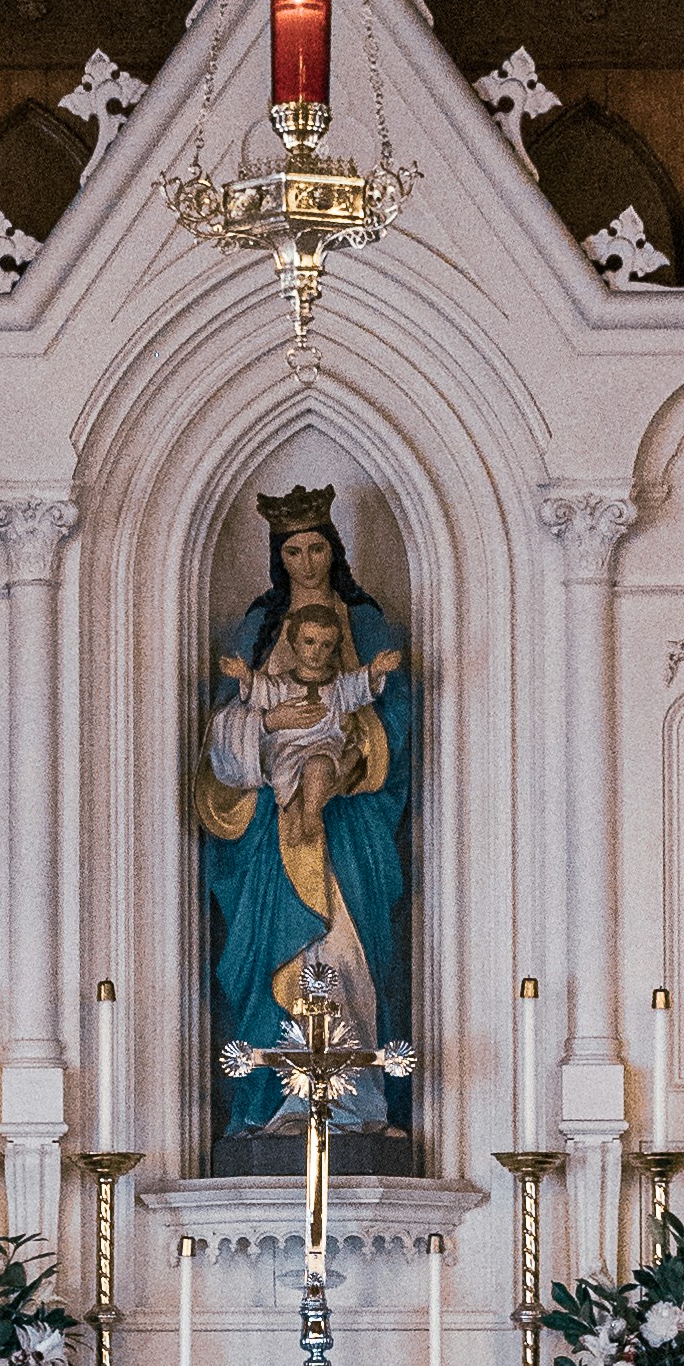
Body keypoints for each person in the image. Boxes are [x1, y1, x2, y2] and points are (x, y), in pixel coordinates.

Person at [195, 485, 411, 1139]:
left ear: (333, 548)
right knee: (274, 961)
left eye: (317, 547)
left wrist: (347, 754)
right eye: (293, 549)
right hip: (271, 825)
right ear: (277, 553)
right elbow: (222, 725)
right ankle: (270, 1108)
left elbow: (394, 720)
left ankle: (357, 1108)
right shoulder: (258, 626)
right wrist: (265, 720)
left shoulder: (363, 621)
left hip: (346, 830)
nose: (307, 561)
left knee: (344, 950)